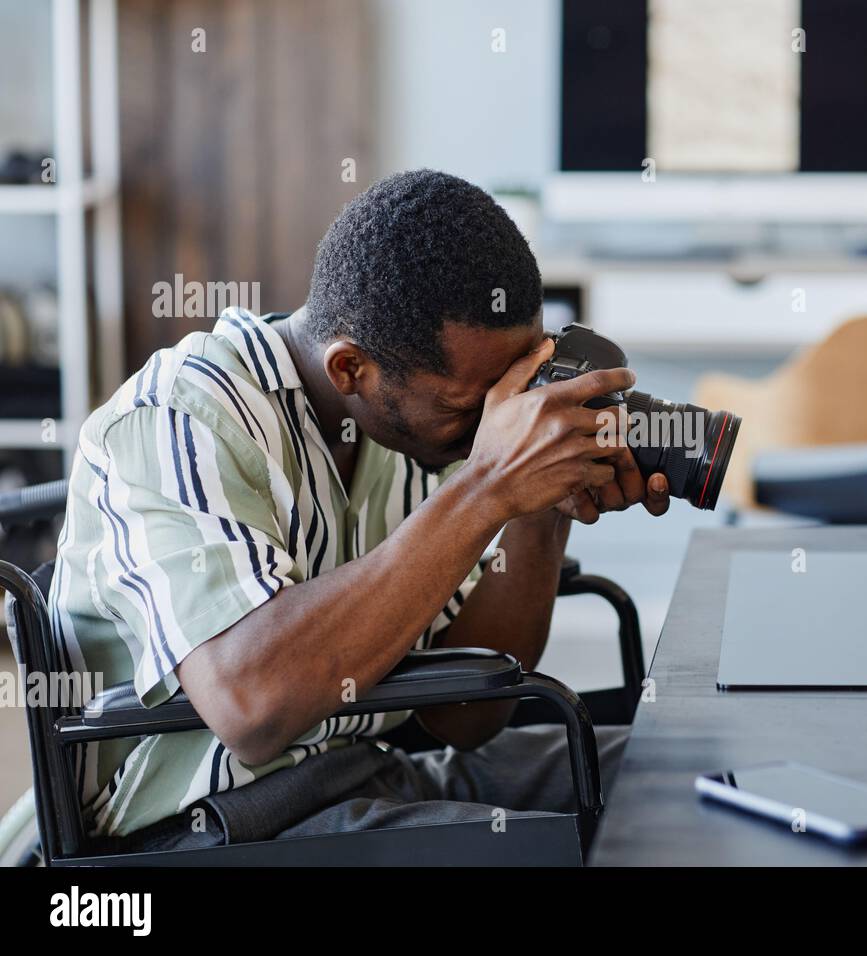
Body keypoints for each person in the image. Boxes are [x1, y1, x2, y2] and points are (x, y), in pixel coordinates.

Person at [50, 169, 666, 850]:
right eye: (470, 410)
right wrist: (488, 484)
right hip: (209, 824)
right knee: (560, 847)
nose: (489, 433)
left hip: (365, 776)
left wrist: (540, 507)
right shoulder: (179, 418)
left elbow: (467, 716)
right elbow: (252, 705)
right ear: (350, 370)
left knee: (669, 778)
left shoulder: (404, 427)